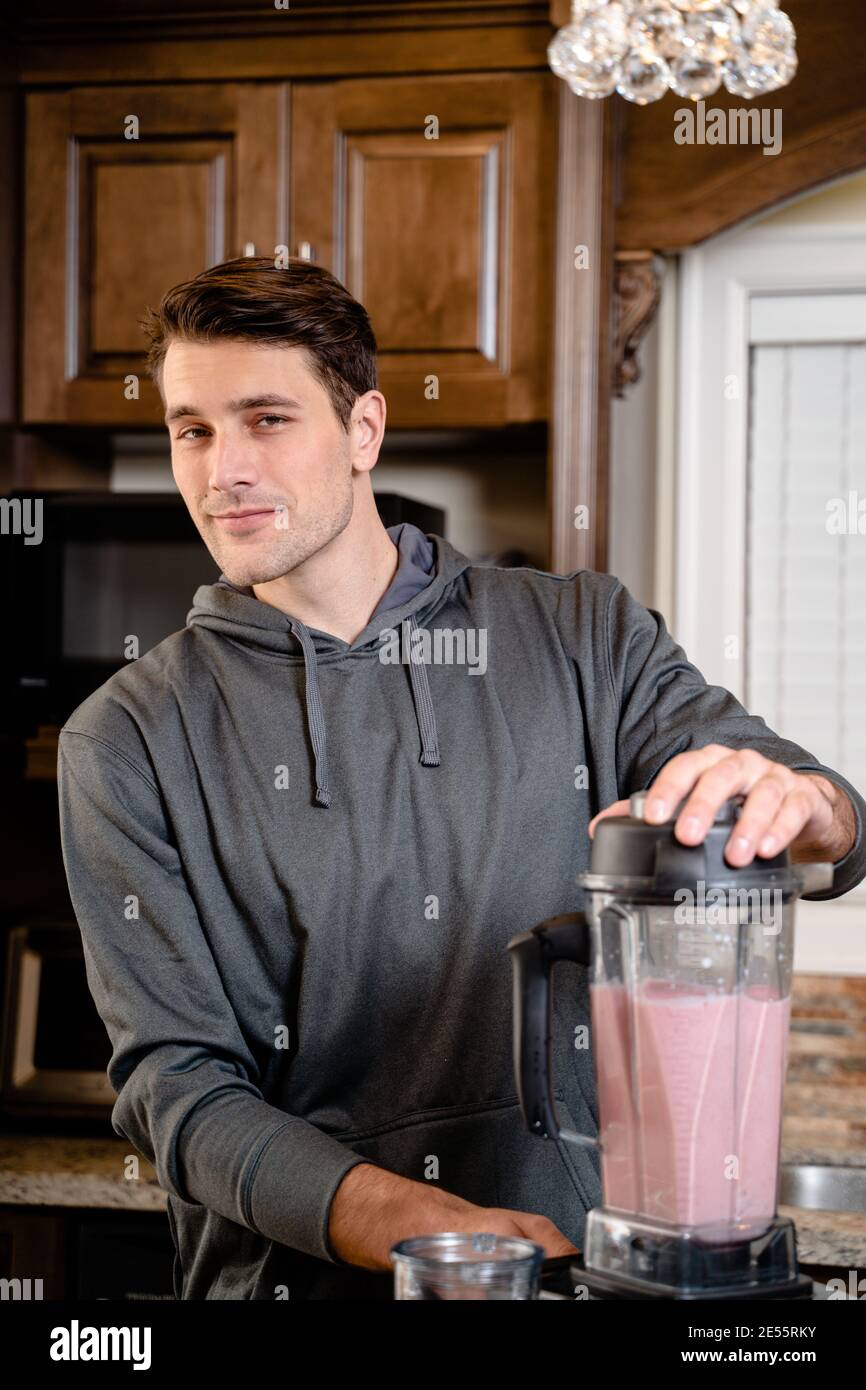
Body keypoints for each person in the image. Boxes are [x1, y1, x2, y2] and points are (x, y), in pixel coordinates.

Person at [57, 256, 866, 1300]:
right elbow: (180, 1090)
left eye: (265, 419)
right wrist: (440, 1233)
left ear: (363, 431)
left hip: (580, 1273)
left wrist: (808, 807)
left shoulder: (581, 635)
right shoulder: (122, 740)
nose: (222, 472)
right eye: (192, 430)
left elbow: (815, 810)